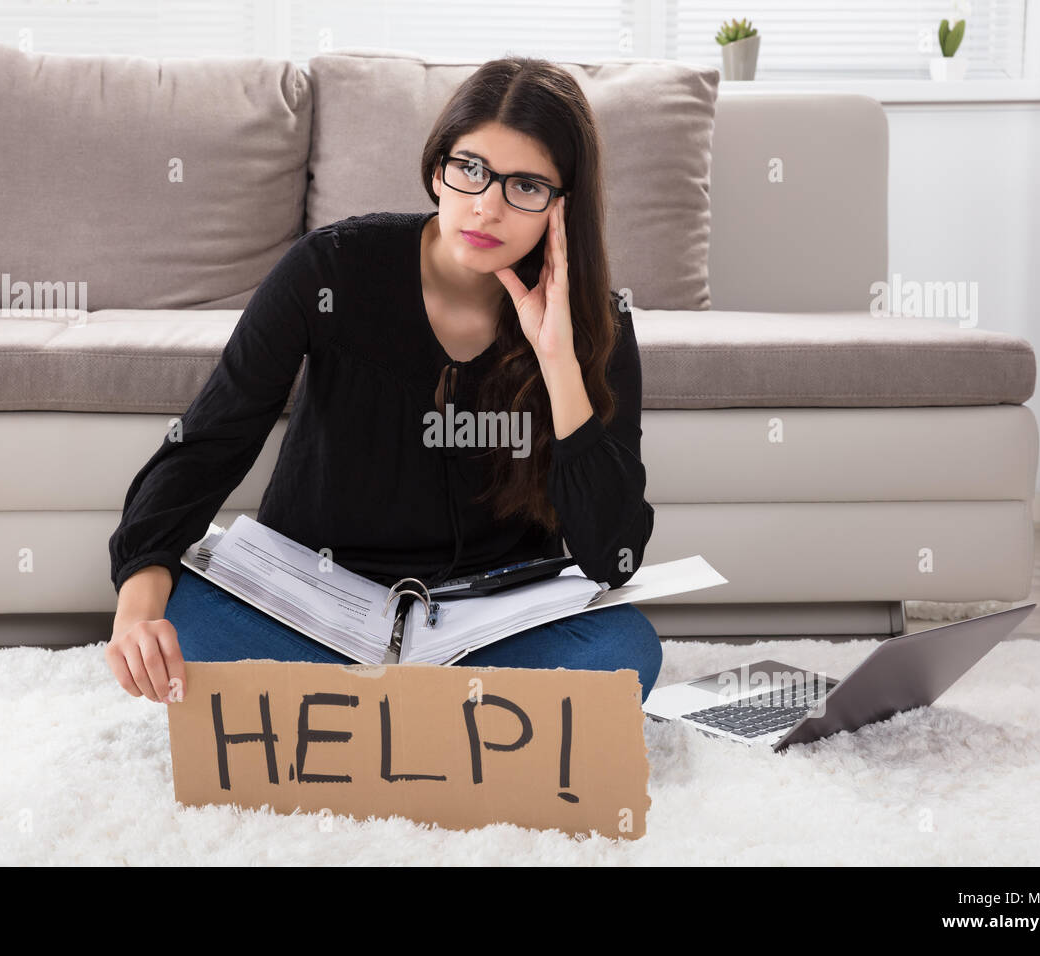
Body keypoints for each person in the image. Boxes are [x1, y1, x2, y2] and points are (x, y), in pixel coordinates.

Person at [106, 56, 661, 707]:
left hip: (487, 618)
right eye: (471, 170)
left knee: (622, 653)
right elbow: (208, 440)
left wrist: (559, 362)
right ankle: (433, 719)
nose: (486, 207)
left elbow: (612, 555)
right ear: (436, 169)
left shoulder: (598, 322)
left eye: (527, 187)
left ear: (561, 206)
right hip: (314, 601)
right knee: (189, 614)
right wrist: (139, 600)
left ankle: (371, 714)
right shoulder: (330, 269)